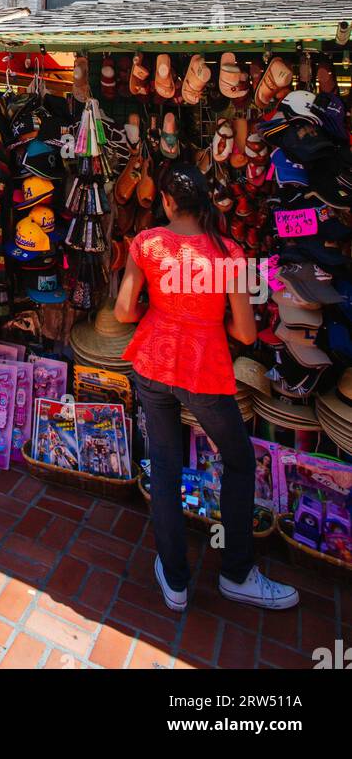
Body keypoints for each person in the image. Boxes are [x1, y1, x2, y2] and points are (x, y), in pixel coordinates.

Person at [115, 162, 298, 613]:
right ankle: (236, 573)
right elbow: (246, 333)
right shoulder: (229, 253)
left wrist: (157, 318)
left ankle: (175, 581)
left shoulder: (148, 243)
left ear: (168, 202)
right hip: (202, 370)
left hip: (153, 364)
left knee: (164, 464)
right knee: (238, 461)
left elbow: (122, 311)